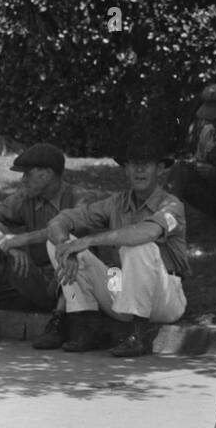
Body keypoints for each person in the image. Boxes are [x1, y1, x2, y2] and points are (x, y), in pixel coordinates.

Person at [44, 133, 189, 357]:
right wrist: (66, 245)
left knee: (140, 245)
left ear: (160, 169)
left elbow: (147, 232)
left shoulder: (172, 205)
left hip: (165, 300)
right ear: (125, 169)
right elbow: (60, 221)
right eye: (133, 164)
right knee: (57, 245)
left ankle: (139, 335)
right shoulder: (116, 202)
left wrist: (89, 240)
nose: (139, 170)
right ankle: (86, 326)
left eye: (146, 164)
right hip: (121, 290)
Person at [0, 143, 81, 348]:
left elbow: (69, 231)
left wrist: (21, 240)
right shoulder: (23, 198)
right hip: (36, 278)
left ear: (46, 174)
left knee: (72, 243)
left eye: (27, 173)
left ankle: (60, 321)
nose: (22, 179)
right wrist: (4, 242)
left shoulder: (78, 199)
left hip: (71, 284)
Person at [167, 83, 216, 237]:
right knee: (180, 169)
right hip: (213, 192)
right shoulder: (208, 131)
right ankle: (168, 215)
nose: (214, 122)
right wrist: (198, 167)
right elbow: (200, 159)